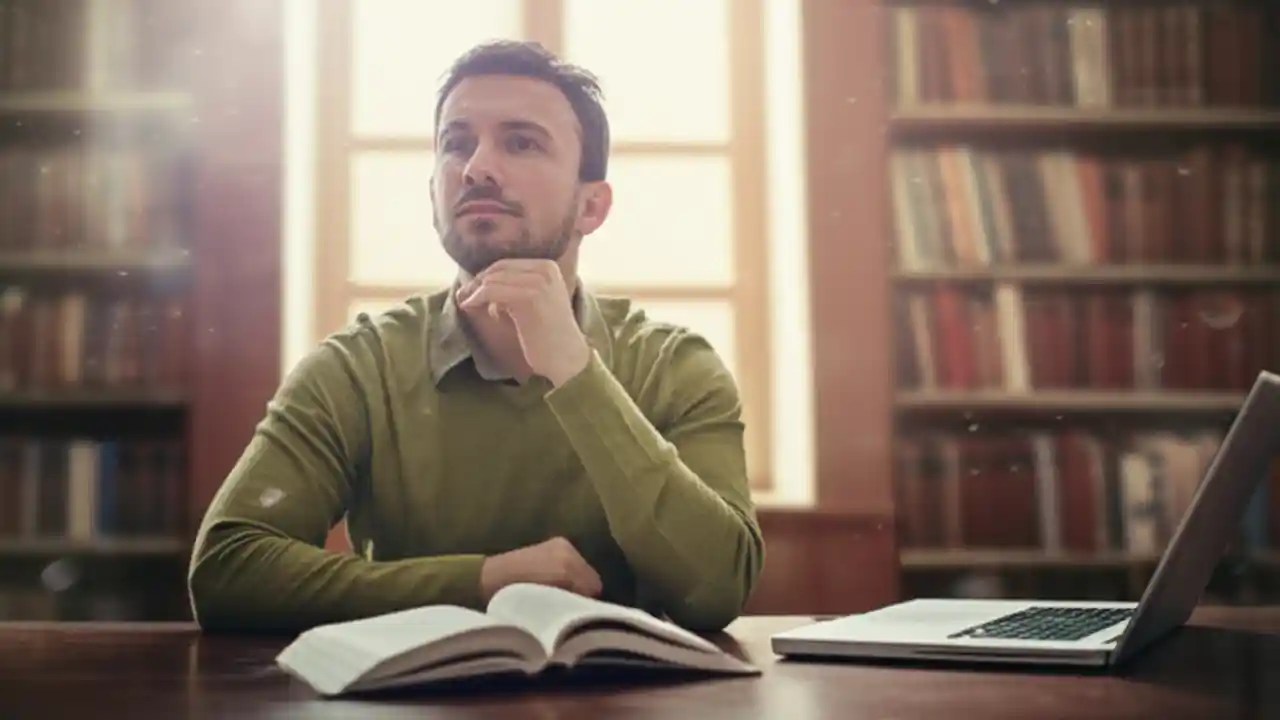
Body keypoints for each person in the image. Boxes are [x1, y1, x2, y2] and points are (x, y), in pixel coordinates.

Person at [188, 40, 764, 633]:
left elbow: (716, 590)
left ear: (591, 207)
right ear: (433, 194)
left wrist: (575, 371)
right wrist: (482, 581)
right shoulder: (357, 369)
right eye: (456, 143)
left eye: (521, 142)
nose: (476, 167)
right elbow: (227, 572)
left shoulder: (676, 366)